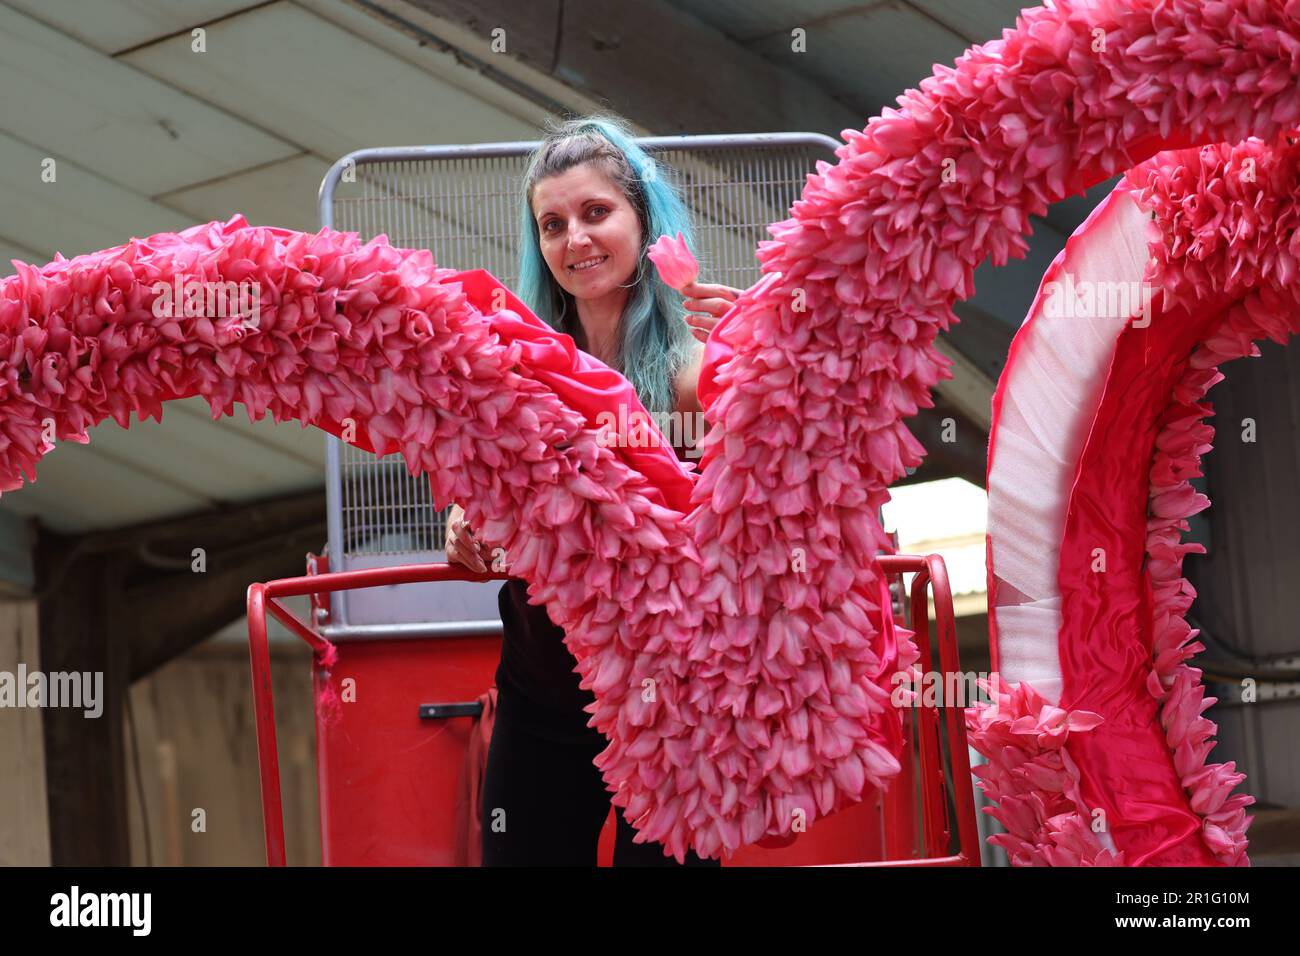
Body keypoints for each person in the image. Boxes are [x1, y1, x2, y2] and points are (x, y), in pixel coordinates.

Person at [444, 114, 741, 865]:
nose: (574, 239)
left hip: (674, 705)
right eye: (552, 223)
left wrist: (756, 373)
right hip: (541, 691)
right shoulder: (512, 368)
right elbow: (478, 494)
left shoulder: (699, 372)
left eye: (596, 213)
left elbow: (749, 521)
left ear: (644, 219)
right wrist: (464, 528)